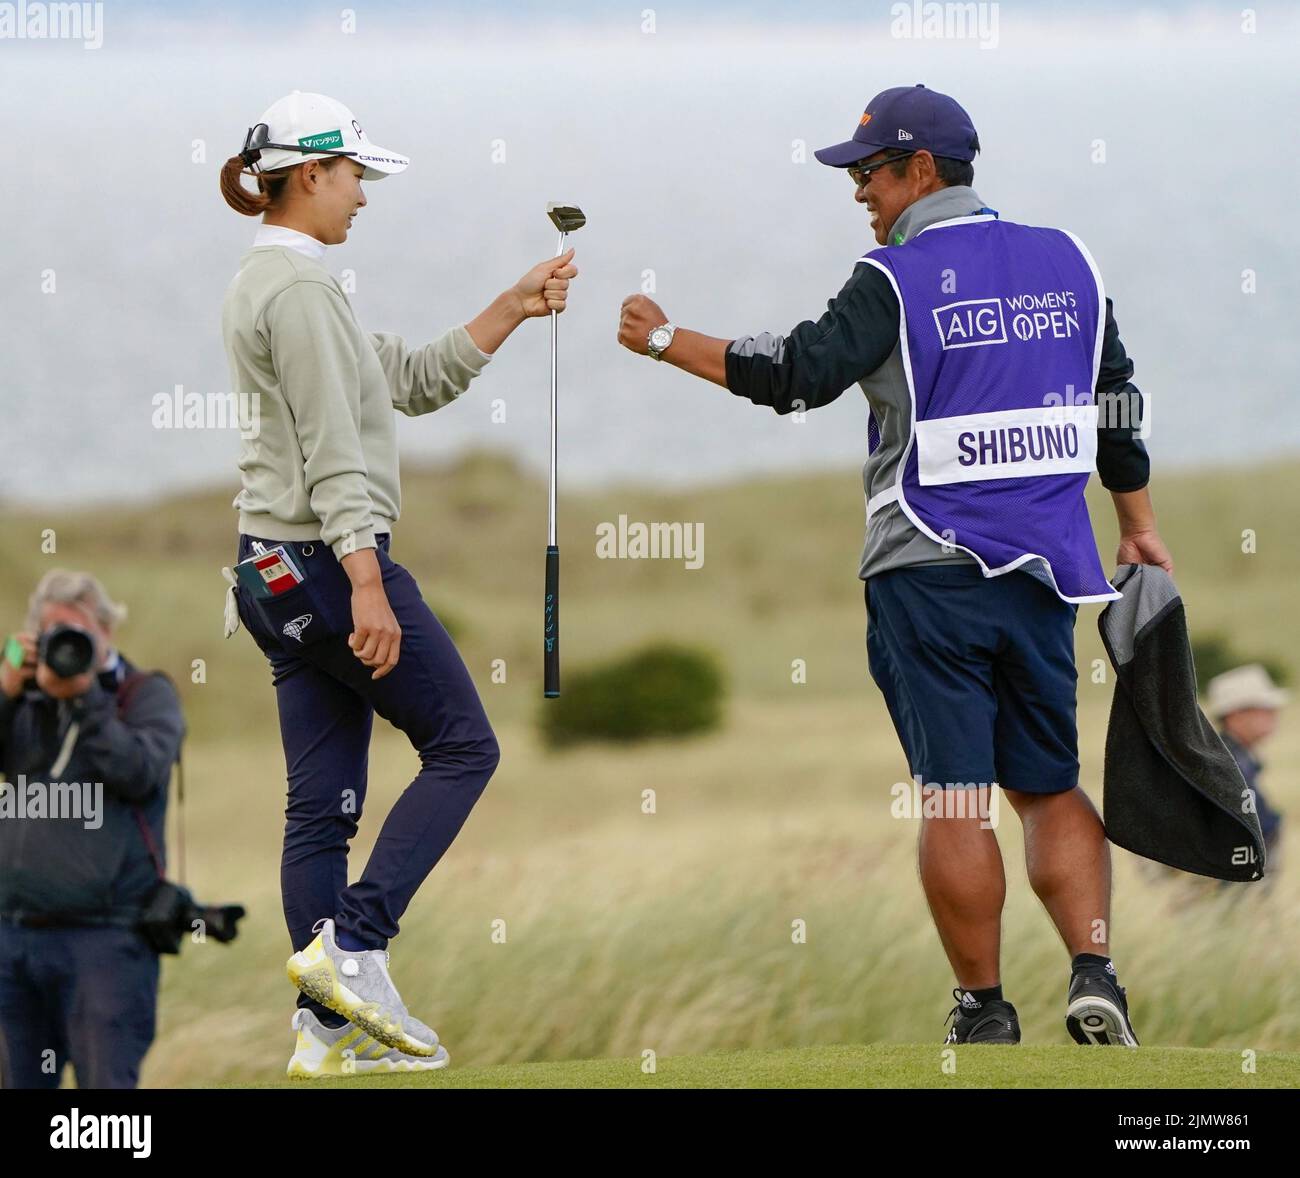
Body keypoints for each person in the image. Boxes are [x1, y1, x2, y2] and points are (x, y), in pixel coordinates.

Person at [618, 83, 1172, 1047]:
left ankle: (985, 1011)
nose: (859, 193)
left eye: (868, 172)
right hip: (1048, 572)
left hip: (927, 569)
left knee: (957, 793)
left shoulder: (893, 277)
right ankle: (1095, 977)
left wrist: (666, 340)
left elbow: (795, 373)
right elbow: (1115, 401)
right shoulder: (1069, 262)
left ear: (921, 170)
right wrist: (1138, 524)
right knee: (1047, 784)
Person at [218, 91, 577, 1075]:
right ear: (309, 174)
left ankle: (322, 1030)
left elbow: (408, 379)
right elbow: (336, 454)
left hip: (267, 573)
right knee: (464, 744)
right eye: (353, 177)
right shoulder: (294, 291)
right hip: (330, 563)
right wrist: (369, 582)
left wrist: (512, 302)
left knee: (318, 808)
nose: (363, 196)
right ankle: (357, 947)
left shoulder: (289, 284)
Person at [0, 570, 185, 1088]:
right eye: (53, 631)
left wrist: (85, 699)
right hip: (13, 937)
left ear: (106, 630)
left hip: (106, 940)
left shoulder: (143, 695)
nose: (67, 644)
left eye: (77, 631)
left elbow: (139, 773)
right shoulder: (24, 700)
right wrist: (6, 688)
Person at [1206, 664, 1287, 863]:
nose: (1274, 713)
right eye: (1265, 708)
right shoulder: (1229, 763)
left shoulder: (1228, 755)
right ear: (1236, 715)